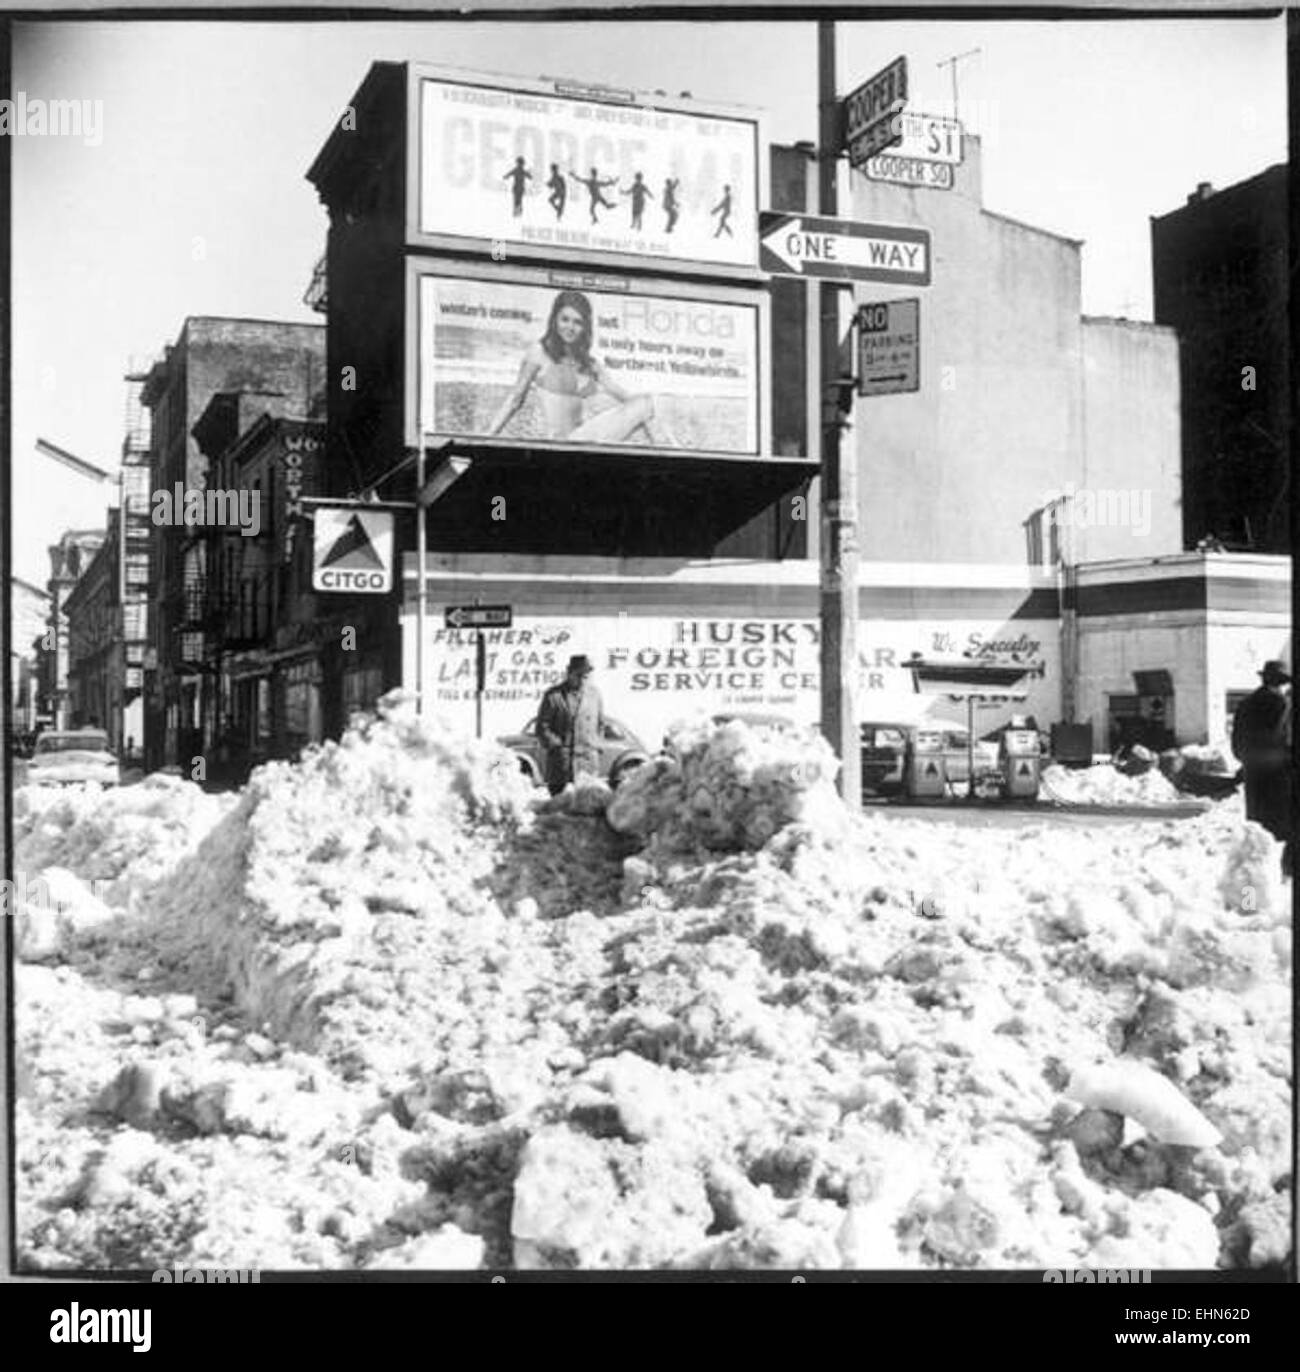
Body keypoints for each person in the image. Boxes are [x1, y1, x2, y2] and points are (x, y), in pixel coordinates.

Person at [487, 288, 676, 446]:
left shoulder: (589, 364)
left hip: (583, 439)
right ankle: (671, 453)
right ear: (554, 320)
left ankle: (670, 452)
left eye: (577, 322)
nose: (570, 327)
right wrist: (487, 438)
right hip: (562, 444)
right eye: (565, 319)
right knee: (645, 405)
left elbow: (626, 397)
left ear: (585, 327)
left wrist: (651, 417)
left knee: (645, 403)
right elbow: (515, 399)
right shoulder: (539, 352)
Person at [1231, 660, 1293, 874]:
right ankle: (1282, 874)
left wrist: (1248, 760)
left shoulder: (1246, 703)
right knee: (1282, 826)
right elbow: (1284, 738)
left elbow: (1236, 741)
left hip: (1253, 772)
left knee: (1257, 825)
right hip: (1279, 773)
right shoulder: (1283, 704)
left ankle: (1255, 880)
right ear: (1282, 683)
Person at [536, 654, 603, 795]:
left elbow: (600, 724)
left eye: (585, 676)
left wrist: (596, 745)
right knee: (559, 805)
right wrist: (557, 746)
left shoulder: (595, 695)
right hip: (561, 765)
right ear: (569, 673)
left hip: (587, 764)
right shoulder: (553, 695)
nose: (582, 680)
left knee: (586, 803)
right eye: (578, 675)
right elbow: (542, 728)